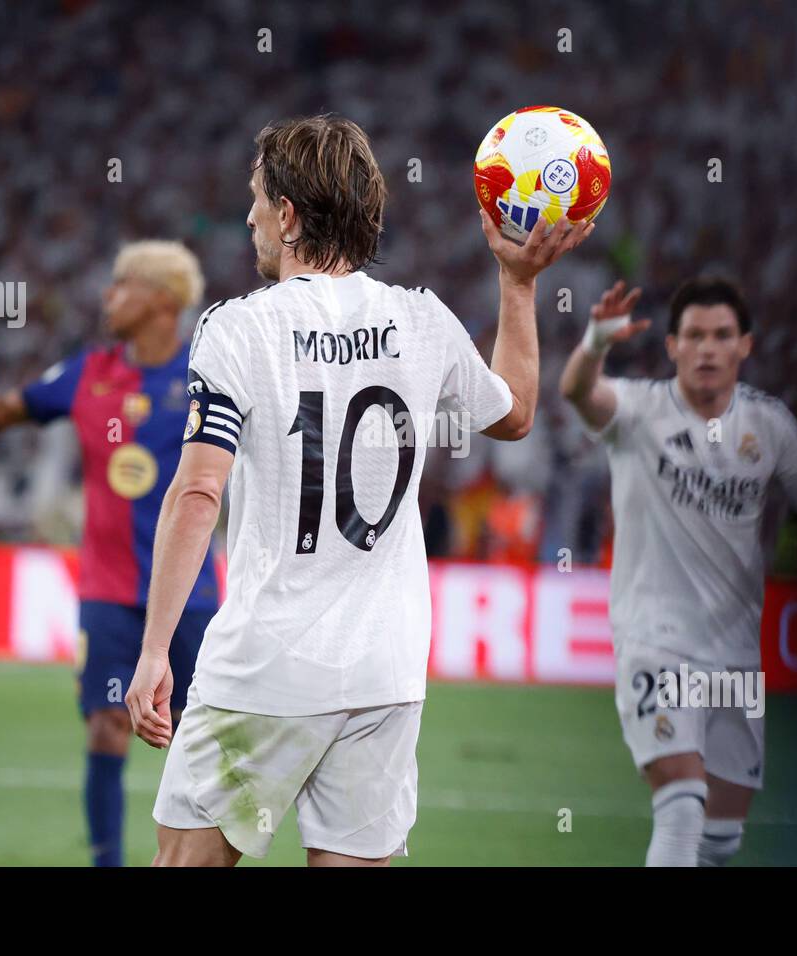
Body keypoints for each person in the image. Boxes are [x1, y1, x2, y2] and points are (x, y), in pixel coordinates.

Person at [125, 114, 592, 866]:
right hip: (385, 670)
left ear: (288, 214)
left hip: (266, 666)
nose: (248, 217)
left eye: (256, 200)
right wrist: (517, 282)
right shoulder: (423, 320)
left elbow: (197, 494)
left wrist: (153, 650)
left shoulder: (236, 329)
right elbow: (516, 411)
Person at [0, 241, 219, 866]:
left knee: (201, 740)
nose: (107, 296)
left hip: (191, 594)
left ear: (160, 301)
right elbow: (0, 413)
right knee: (106, 726)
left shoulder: (206, 374)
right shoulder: (89, 371)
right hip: (108, 592)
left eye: (121, 285)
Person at [559, 276, 797, 866]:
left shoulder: (769, 426)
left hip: (736, 655)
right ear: (671, 346)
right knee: (681, 807)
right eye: (694, 335)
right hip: (655, 641)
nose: (707, 349)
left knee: (720, 842)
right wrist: (596, 340)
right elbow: (576, 392)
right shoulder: (639, 411)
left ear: (745, 345)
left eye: (722, 335)